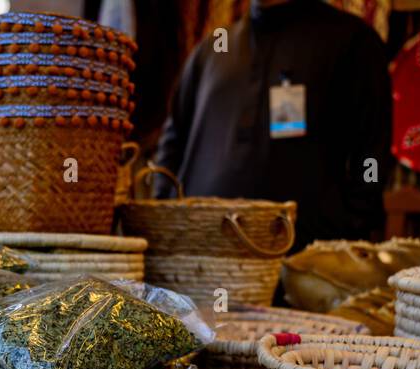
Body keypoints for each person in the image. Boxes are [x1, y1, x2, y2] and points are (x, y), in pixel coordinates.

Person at [153, 0, 392, 249]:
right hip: (195, 261)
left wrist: (354, 223)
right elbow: (171, 144)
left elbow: (371, 155)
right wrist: (162, 210)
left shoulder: (352, 42)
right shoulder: (213, 48)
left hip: (303, 266)